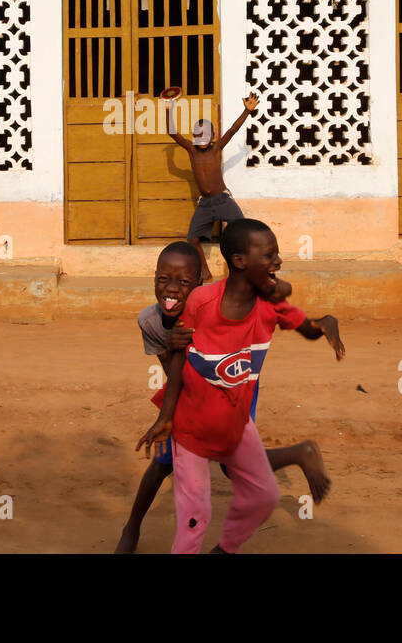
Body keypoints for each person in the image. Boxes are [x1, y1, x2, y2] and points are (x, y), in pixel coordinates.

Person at [137, 218, 344, 554]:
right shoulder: (200, 303)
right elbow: (177, 360)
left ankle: (224, 549)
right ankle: (133, 529)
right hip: (191, 424)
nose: (277, 261)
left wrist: (322, 324)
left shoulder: (270, 304)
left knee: (265, 497)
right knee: (194, 517)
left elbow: (301, 322)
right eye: (269, 255)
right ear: (239, 261)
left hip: (235, 419)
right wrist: (166, 416)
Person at [166, 94, 258, 282]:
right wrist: (169, 109)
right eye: (198, 134)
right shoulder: (191, 150)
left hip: (223, 200)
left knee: (241, 231)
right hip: (205, 205)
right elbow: (172, 132)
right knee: (192, 238)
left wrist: (247, 111)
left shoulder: (216, 149)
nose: (202, 137)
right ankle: (205, 271)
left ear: (213, 135)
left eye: (206, 133)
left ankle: (243, 270)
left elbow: (232, 130)